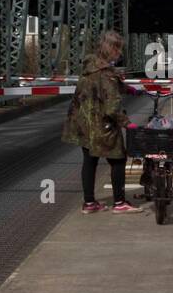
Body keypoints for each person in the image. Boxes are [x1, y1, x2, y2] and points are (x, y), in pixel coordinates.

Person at [61, 30, 144, 214]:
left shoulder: (91, 66)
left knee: (90, 160)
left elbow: (101, 86)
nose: (120, 53)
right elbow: (112, 107)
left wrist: (126, 88)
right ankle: (120, 203)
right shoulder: (107, 74)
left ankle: (89, 203)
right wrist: (127, 123)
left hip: (83, 122)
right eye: (118, 49)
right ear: (112, 49)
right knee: (118, 160)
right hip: (101, 124)